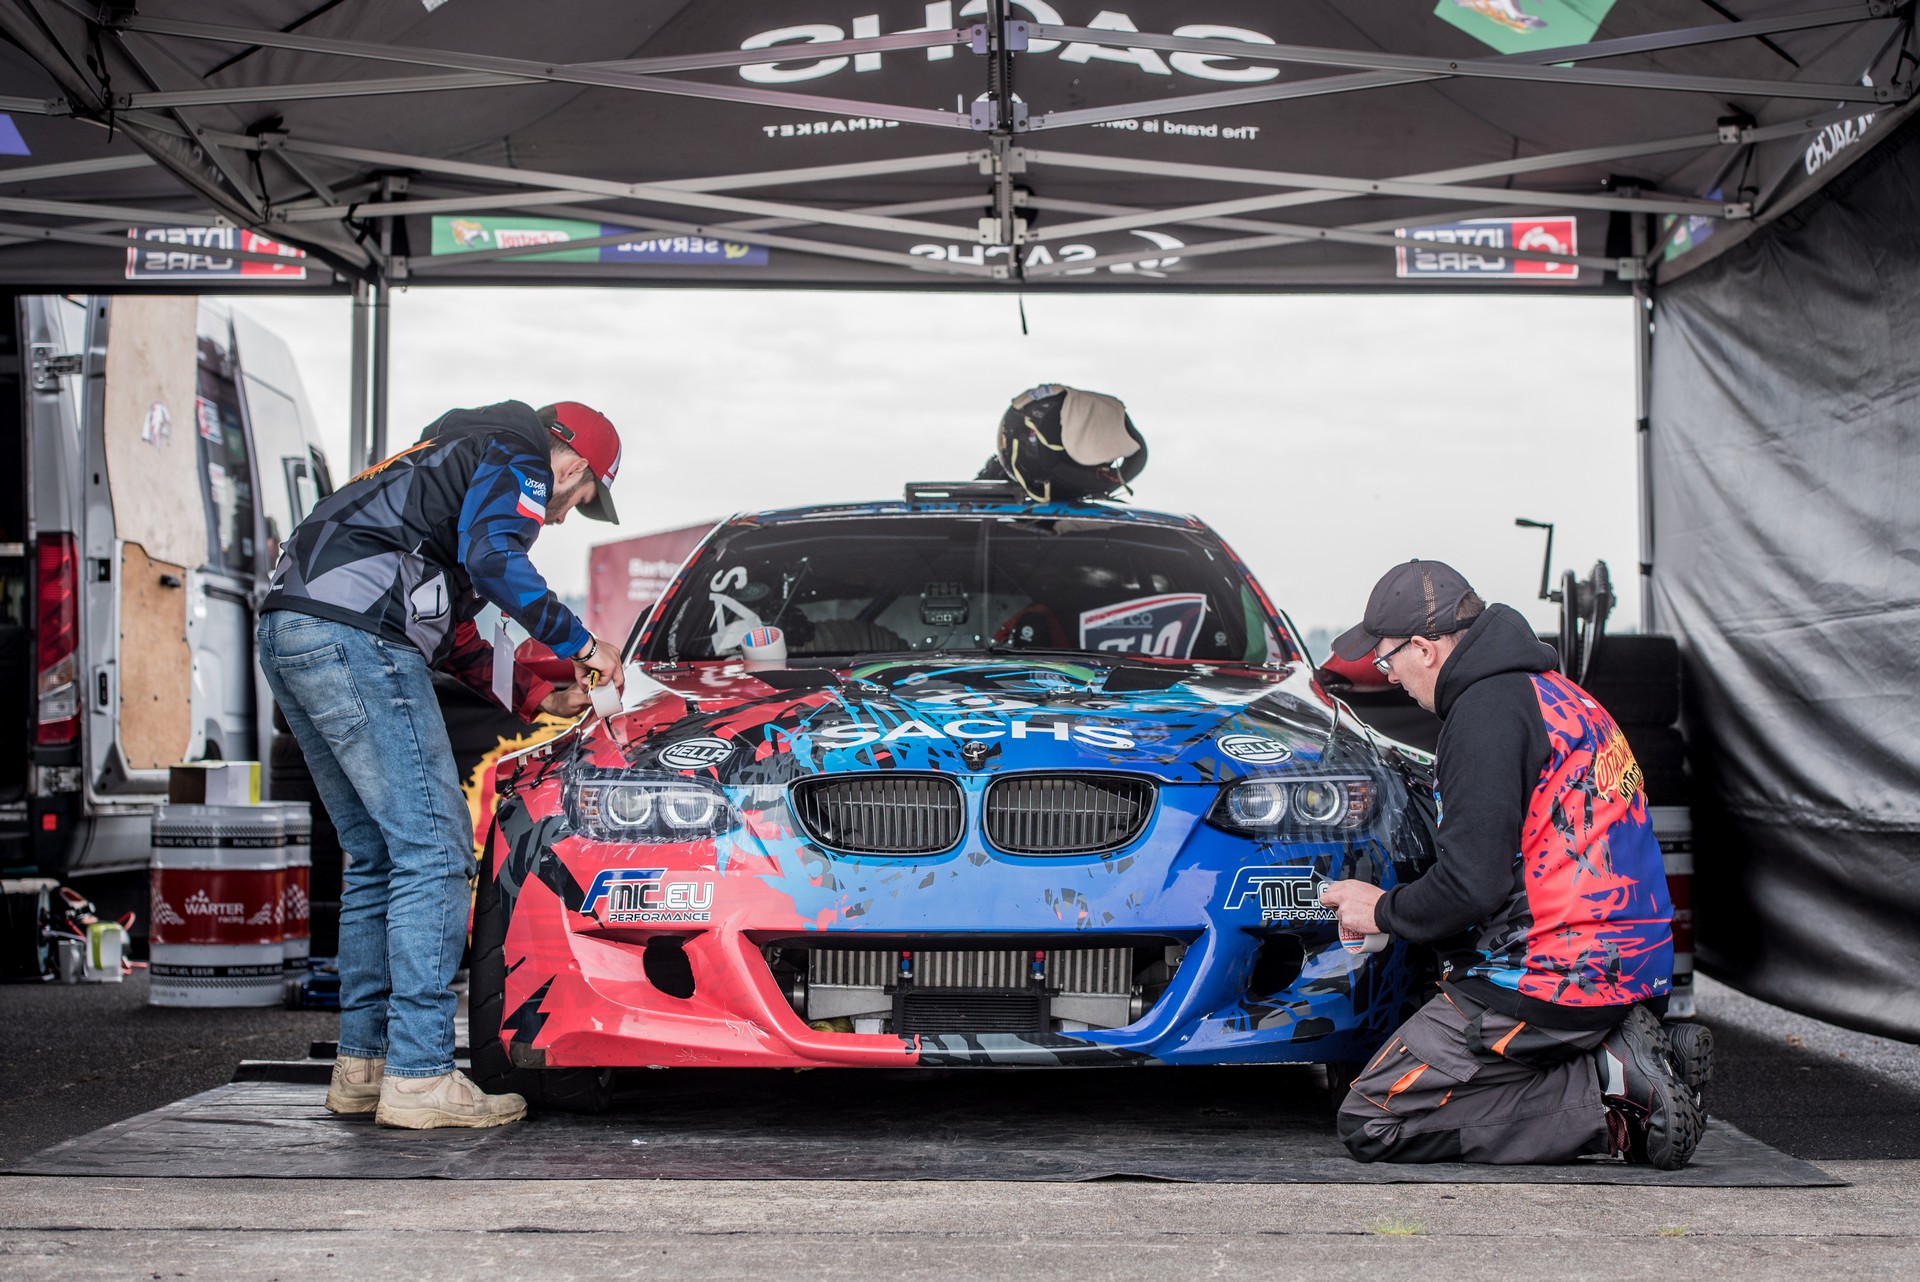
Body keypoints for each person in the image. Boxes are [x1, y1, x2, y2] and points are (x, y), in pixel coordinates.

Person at [258, 400, 627, 1130]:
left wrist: (539, 694)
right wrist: (585, 645)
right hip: (356, 634)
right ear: (572, 464)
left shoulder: (442, 477)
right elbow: (497, 560)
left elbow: (458, 636)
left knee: (378, 856)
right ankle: (422, 1075)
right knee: (435, 851)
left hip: (291, 626)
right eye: (581, 498)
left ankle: (364, 1068)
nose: (562, 517)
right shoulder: (516, 449)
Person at [1318, 560, 1704, 1168]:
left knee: (1374, 1119)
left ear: (1424, 648)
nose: (1389, 678)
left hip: (1552, 980)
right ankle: (1623, 1053)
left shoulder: (1484, 713)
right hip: (1636, 967)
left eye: (1387, 660)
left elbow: (1469, 888)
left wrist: (1382, 910)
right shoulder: (1562, 696)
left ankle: (1614, 1098)